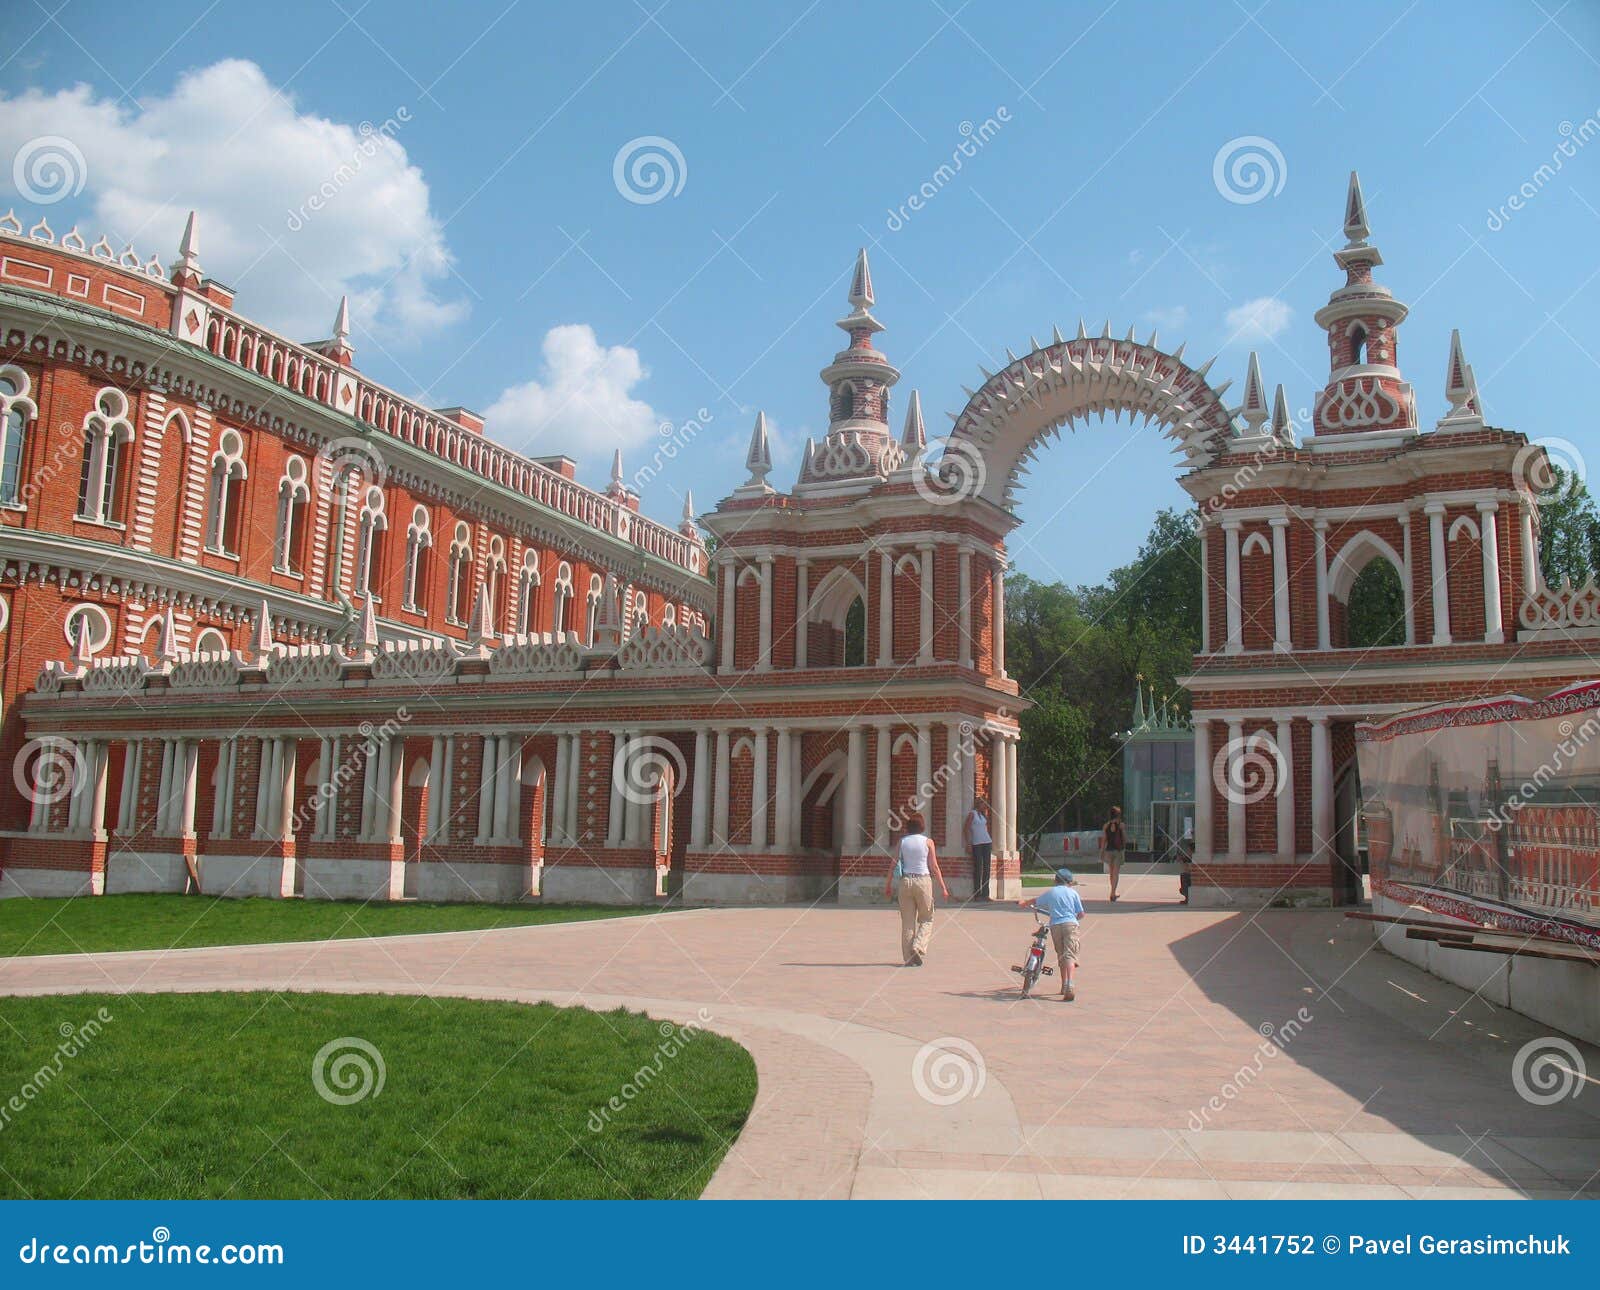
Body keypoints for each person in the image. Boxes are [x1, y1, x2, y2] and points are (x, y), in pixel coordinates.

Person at [883, 812, 949, 966]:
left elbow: (893, 864)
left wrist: (887, 884)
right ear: (922, 826)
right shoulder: (928, 842)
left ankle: (908, 958)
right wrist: (943, 887)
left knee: (907, 921)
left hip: (905, 881)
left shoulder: (902, 842)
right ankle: (918, 946)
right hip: (923, 881)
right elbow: (934, 866)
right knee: (927, 918)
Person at [1019, 868, 1085, 1001]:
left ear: (1056, 881)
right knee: (1070, 956)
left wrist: (1023, 903)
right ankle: (1070, 985)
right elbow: (1081, 913)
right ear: (1069, 882)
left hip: (1055, 926)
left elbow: (1035, 901)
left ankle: (1063, 986)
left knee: (1061, 955)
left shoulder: (1051, 892)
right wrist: (1074, 919)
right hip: (1070, 925)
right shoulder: (1073, 893)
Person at [964, 797, 993, 902]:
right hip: (977, 843)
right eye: (983, 804)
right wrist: (968, 843)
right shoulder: (973, 814)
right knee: (978, 868)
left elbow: (985, 828)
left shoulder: (983, 815)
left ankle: (986, 894)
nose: (985, 806)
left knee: (986, 868)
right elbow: (966, 828)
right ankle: (977, 894)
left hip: (987, 842)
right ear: (978, 804)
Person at [1101, 805, 1126, 902]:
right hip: (1118, 851)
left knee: (1111, 873)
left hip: (1108, 850)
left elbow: (1104, 840)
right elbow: (1124, 838)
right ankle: (1113, 893)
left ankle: (1113, 892)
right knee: (1116, 873)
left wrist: (1102, 851)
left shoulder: (1106, 825)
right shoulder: (1121, 825)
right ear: (1118, 815)